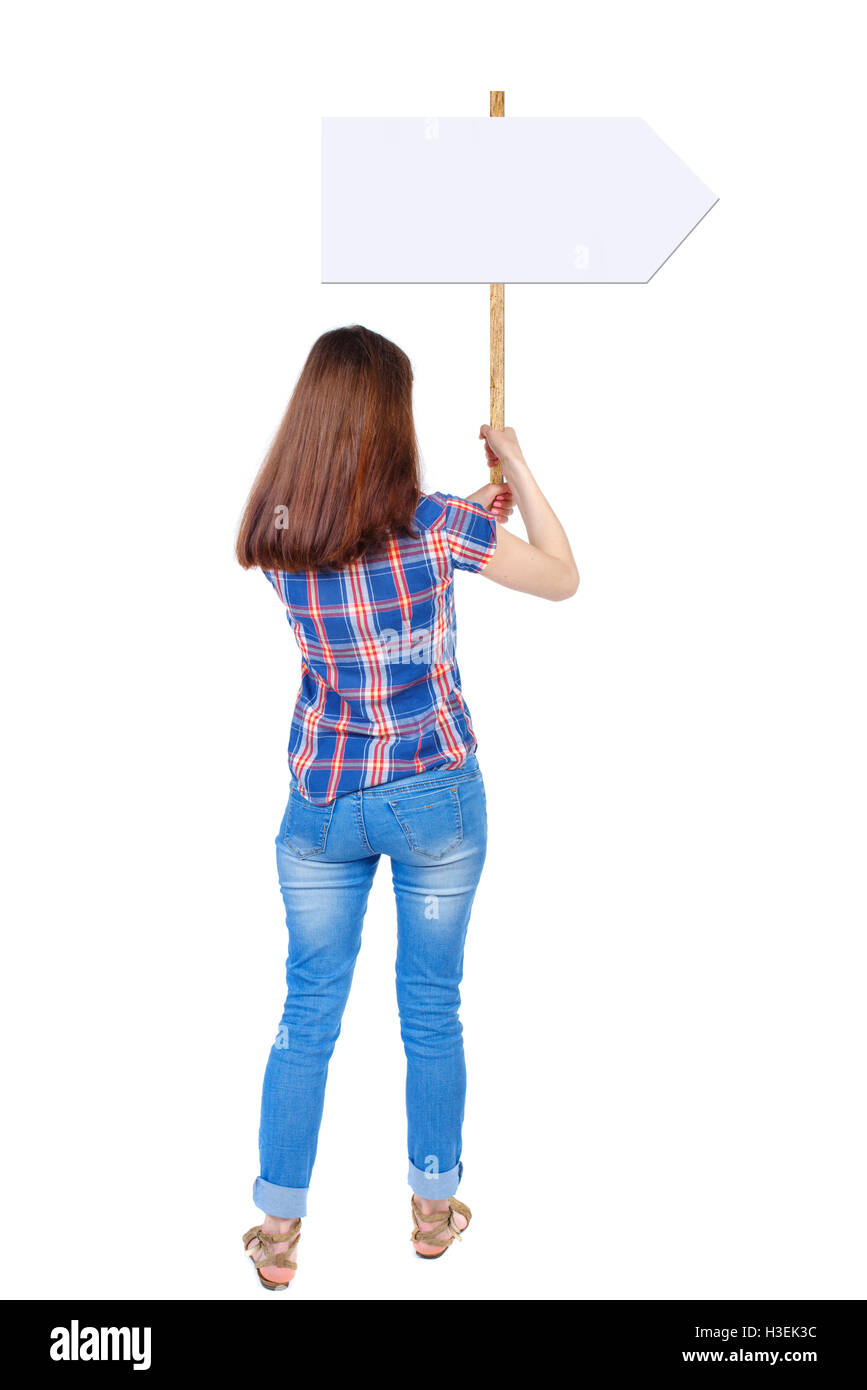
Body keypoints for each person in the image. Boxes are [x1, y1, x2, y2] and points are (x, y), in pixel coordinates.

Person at [235, 324, 579, 1288]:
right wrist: (515, 471)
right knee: (430, 1008)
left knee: (307, 1013)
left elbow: (364, 563)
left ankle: (276, 1231)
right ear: (391, 418)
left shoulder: (276, 530)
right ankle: (432, 1211)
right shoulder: (434, 527)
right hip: (435, 803)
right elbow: (561, 576)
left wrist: (470, 512)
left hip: (324, 801)